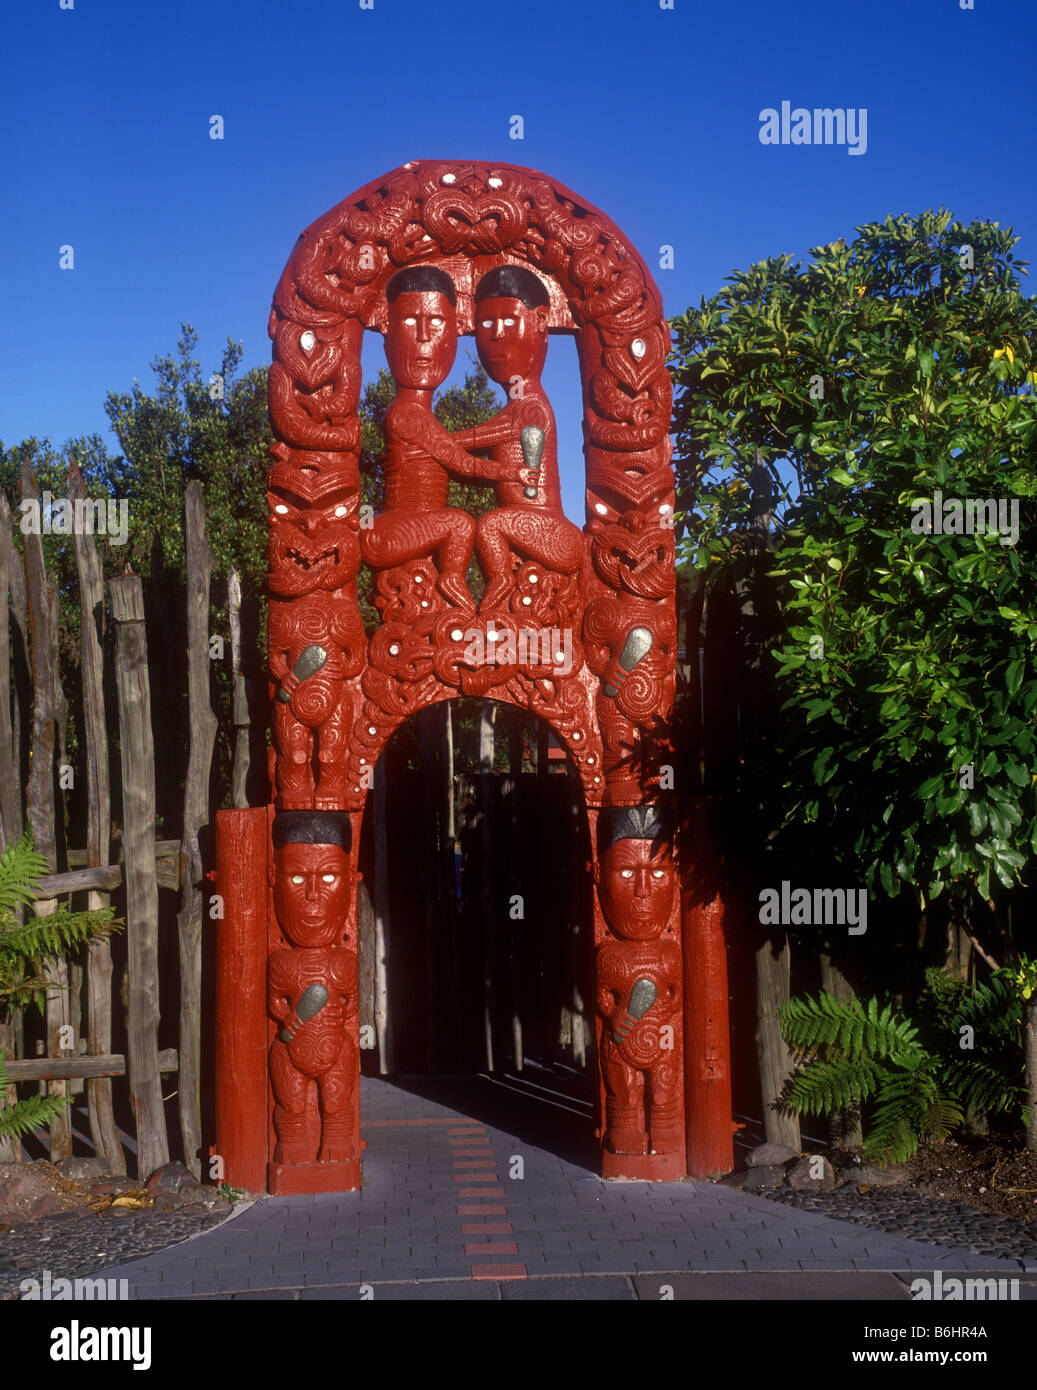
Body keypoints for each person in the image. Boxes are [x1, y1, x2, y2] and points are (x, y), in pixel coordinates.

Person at [361, 265, 530, 612]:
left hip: (401, 533)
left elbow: (450, 446)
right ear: (385, 329)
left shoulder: (422, 420)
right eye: (409, 321)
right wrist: (513, 473)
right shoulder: (407, 414)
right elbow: (462, 462)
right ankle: (453, 585)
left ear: (458, 330)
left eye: (436, 322)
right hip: (388, 535)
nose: (424, 336)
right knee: (460, 522)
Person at [450, 265, 583, 612]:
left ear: (541, 320)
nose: (495, 335)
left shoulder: (529, 407)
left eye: (509, 321)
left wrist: (429, 440)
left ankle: (500, 583)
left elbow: (471, 439)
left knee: (490, 523)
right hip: (534, 532)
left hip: (553, 534)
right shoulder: (518, 404)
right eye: (485, 324)